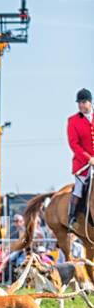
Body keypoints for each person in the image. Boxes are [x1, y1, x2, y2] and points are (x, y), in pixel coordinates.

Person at [67, 87, 93, 229]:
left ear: (90, 102)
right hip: (83, 164)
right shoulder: (73, 121)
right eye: (79, 103)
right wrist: (89, 158)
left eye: (84, 102)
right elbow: (74, 144)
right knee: (78, 188)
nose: (81, 105)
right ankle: (72, 217)